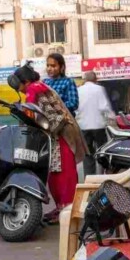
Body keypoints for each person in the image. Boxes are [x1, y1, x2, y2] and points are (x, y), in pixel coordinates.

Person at [13, 62, 87, 224]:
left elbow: (50, 117)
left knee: (62, 174)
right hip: (56, 134)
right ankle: (63, 208)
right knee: (56, 173)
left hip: (61, 135)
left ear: (25, 82)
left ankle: (68, 211)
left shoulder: (34, 89)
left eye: (19, 85)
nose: (19, 89)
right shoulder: (38, 87)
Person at [76, 70, 114, 175]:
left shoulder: (79, 90)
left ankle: (89, 178)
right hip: (98, 126)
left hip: (83, 126)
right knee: (102, 152)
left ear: (85, 79)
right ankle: (103, 175)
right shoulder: (99, 89)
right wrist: (112, 117)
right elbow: (104, 107)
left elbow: (76, 108)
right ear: (95, 80)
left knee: (87, 154)